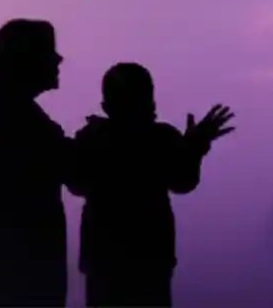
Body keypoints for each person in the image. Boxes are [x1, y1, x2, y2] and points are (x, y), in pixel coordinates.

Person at [69, 63, 235, 307]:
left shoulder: (91, 138)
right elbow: (183, 181)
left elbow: (76, 184)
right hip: (151, 260)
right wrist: (195, 147)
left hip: (103, 261)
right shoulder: (162, 138)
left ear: (106, 106)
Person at [0, 19, 73, 307]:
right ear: (27, 61)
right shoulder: (19, 118)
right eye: (49, 51)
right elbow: (74, 167)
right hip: (15, 279)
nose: (59, 59)